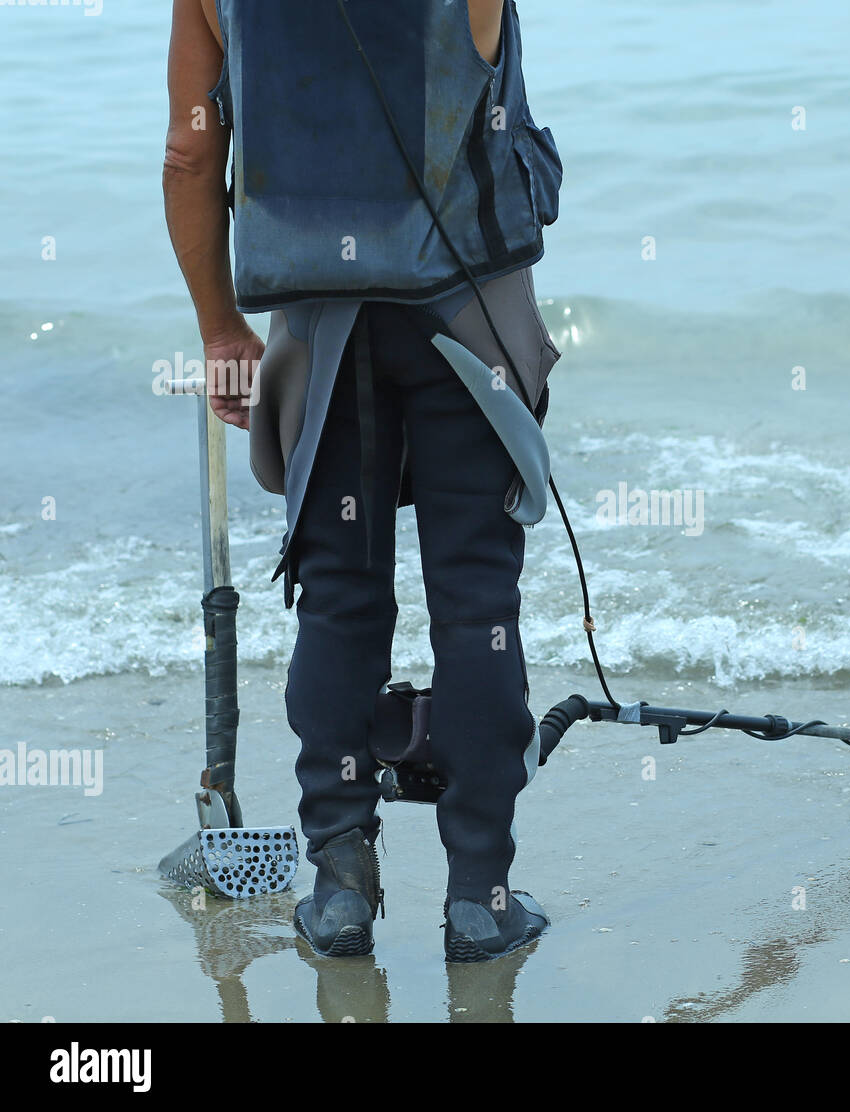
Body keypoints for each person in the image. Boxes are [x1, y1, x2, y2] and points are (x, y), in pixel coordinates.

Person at [162, 0, 563, 962]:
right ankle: (480, 900)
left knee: (339, 599)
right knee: (477, 602)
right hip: (467, 323)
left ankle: (341, 889)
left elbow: (190, 159)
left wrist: (222, 328)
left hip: (317, 327)